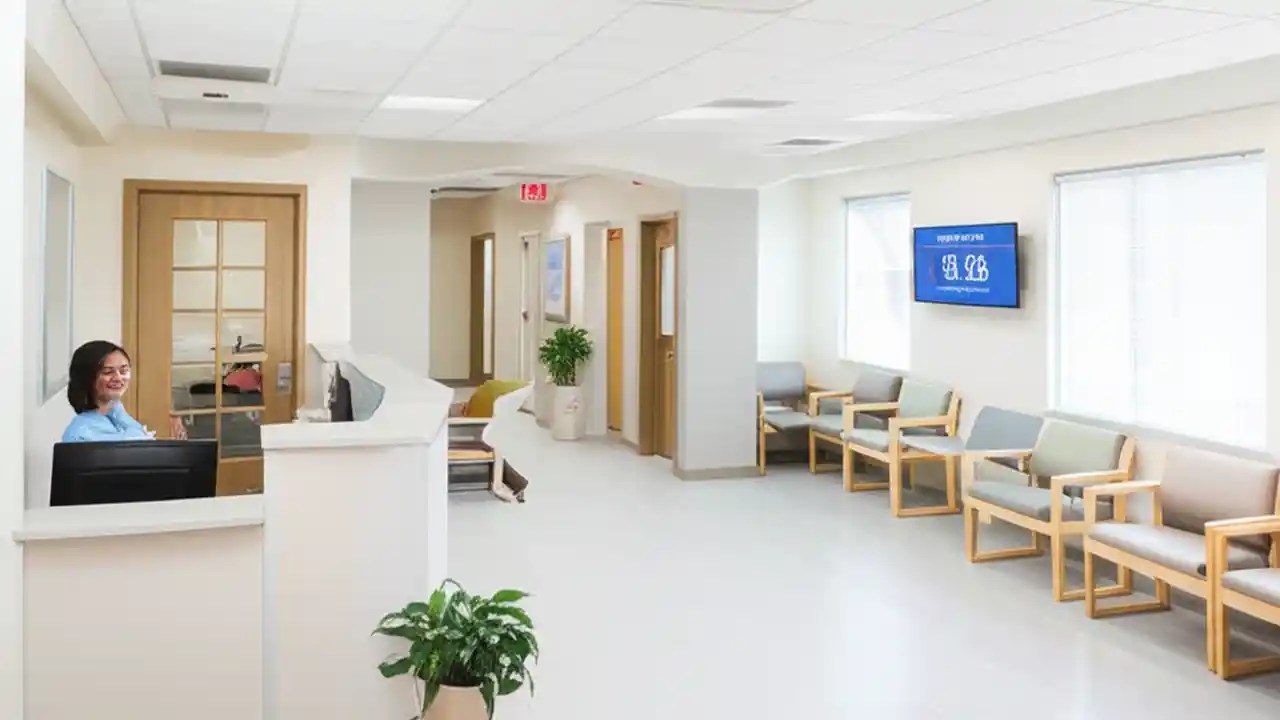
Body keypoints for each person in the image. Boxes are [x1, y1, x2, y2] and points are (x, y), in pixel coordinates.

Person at [61, 340, 185, 442]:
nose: (118, 378)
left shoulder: (119, 414)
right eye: (108, 372)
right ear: (87, 377)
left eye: (124, 371)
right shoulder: (79, 433)